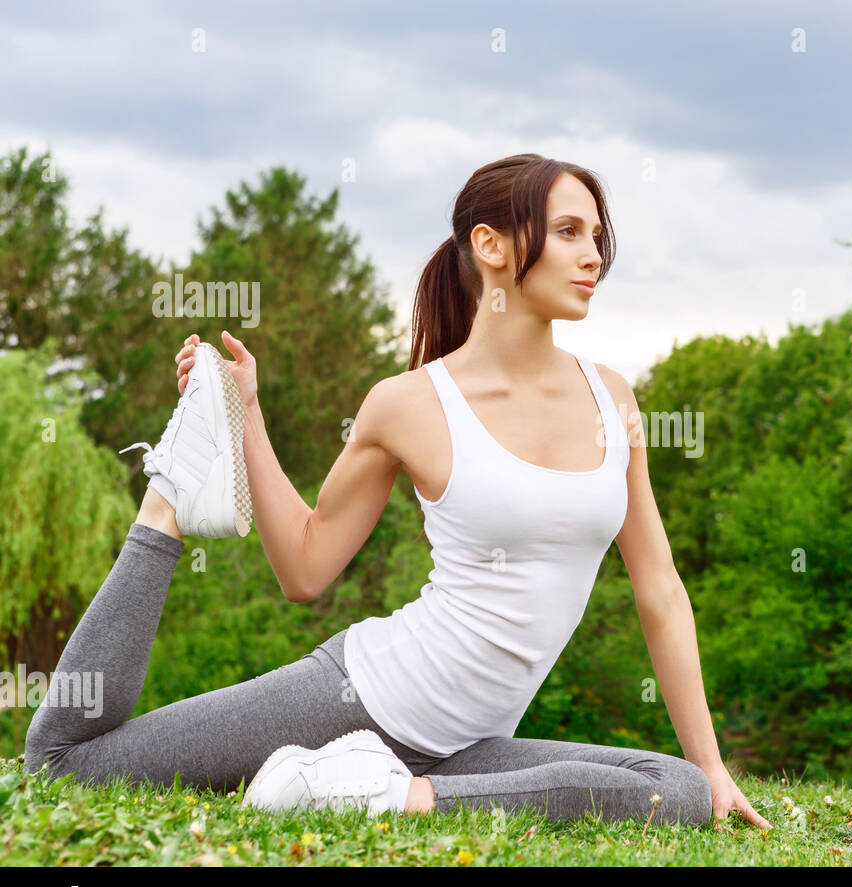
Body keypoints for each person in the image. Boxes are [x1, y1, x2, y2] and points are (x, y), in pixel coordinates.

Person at [23, 153, 771, 831]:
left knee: (675, 792)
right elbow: (305, 569)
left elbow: (660, 588)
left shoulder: (614, 399)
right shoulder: (408, 404)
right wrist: (246, 412)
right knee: (62, 764)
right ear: (492, 245)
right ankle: (166, 502)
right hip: (365, 695)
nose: (593, 255)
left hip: (469, 747)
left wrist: (710, 763)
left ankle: (383, 794)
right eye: (569, 232)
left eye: (597, 236)